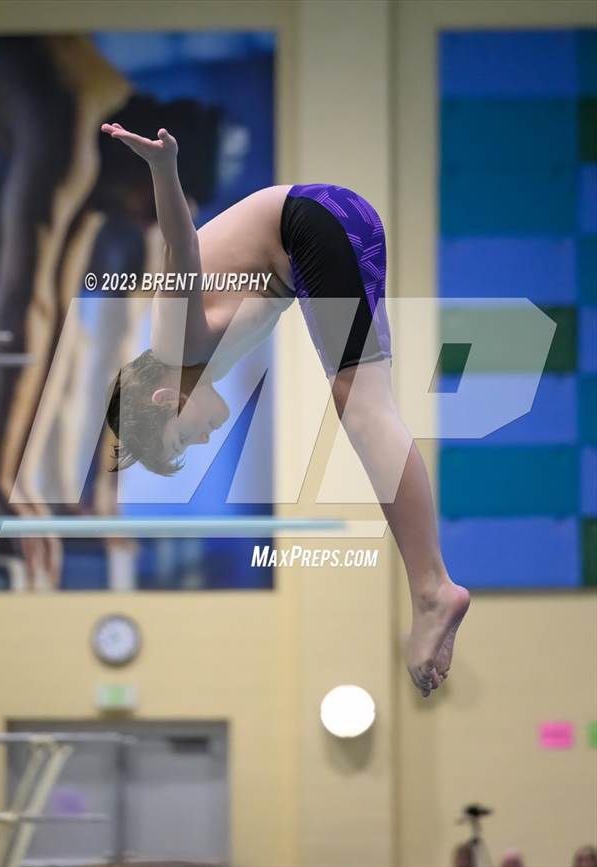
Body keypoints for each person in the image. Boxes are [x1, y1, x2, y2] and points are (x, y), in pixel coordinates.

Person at [102, 121, 471, 698]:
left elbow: (180, 245)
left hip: (313, 224)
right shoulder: (206, 358)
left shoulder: (173, 341)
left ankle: (431, 588)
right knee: (367, 402)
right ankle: (430, 585)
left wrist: (163, 169)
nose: (204, 440)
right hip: (334, 224)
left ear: (166, 400)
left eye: (183, 438)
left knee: (360, 405)